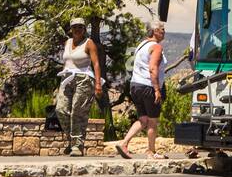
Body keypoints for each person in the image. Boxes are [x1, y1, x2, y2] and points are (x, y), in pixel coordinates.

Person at [111, 21, 167, 159]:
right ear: (154, 31)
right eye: (162, 29)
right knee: (153, 121)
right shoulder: (156, 47)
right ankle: (151, 152)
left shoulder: (141, 46)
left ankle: (124, 143)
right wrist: (157, 89)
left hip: (135, 85)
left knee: (143, 119)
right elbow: (153, 68)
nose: (164, 31)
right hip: (148, 86)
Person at [55, 17, 102, 157]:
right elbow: (66, 61)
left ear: (84, 29)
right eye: (75, 27)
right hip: (67, 78)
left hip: (84, 79)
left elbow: (96, 64)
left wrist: (98, 84)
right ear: (71, 29)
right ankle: (72, 140)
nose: (77, 29)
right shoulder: (68, 42)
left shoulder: (89, 43)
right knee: (61, 110)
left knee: (78, 110)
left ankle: (77, 146)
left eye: (80, 27)